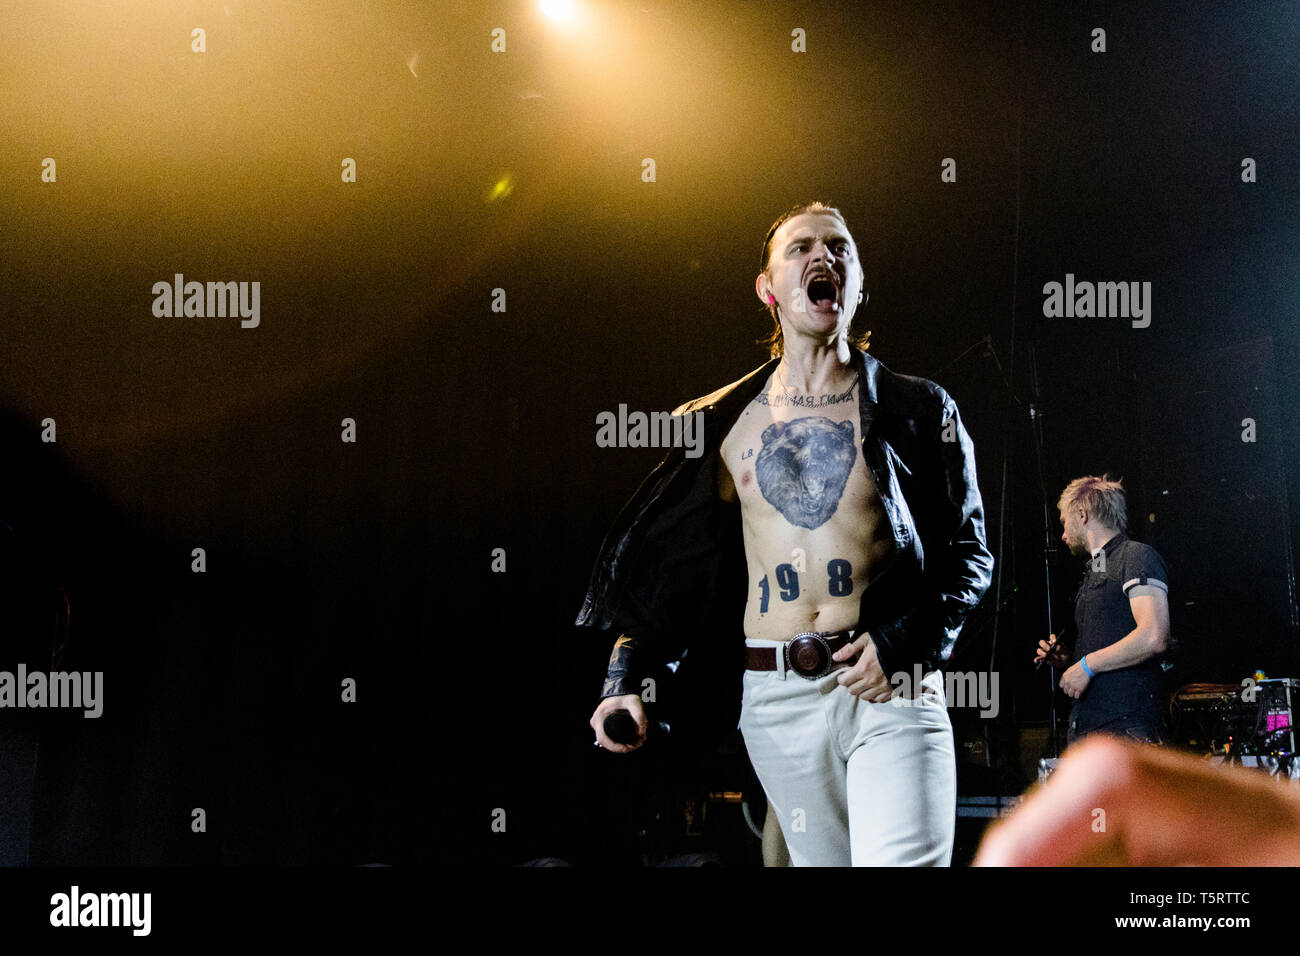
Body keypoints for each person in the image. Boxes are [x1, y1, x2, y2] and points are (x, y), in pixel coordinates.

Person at [578, 201, 993, 866]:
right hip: (775, 702)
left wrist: (906, 643)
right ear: (768, 288)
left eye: (839, 247)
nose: (822, 256)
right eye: (801, 247)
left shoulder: (919, 408)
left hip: (891, 690)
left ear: (857, 284)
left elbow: (970, 556)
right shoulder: (718, 425)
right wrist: (625, 676)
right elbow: (668, 580)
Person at [1034, 476, 1171, 746]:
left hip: (1127, 728)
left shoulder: (1136, 556)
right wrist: (1071, 660)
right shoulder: (1094, 570)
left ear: (1082, 514)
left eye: (1064, 522)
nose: (1062, 535)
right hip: (1092, 728)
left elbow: (1154, 636)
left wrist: (1086, 665)